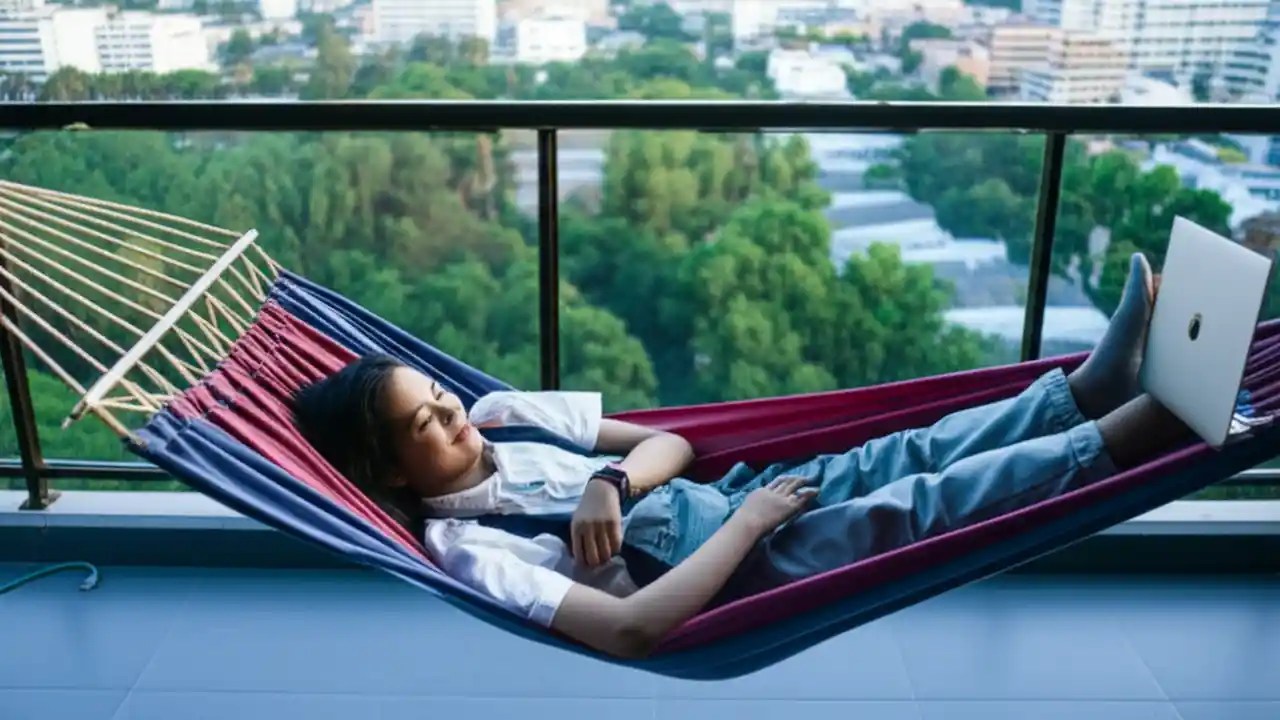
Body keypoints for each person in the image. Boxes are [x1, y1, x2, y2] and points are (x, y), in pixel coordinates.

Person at [292, 253, 1193, 659]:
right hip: (736, 566)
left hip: (731, 492)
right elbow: (631, 629)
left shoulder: (504, 413)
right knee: (927, 505)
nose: (451, 411)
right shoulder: (469, 551)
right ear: (390, 472)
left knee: (907, 449)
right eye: (424, 423)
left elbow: (672, 443)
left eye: (437, 393)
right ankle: (1122, 439)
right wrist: (751, 527)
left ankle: (1085, 392)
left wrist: (608, 479)